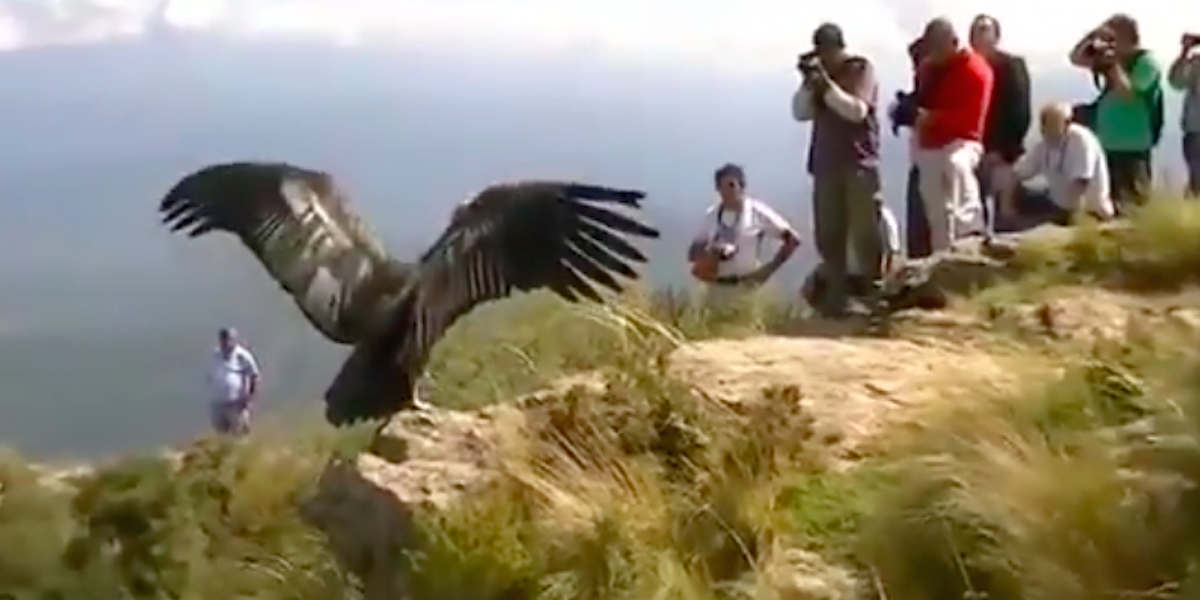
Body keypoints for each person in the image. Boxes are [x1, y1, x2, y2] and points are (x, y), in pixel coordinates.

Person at [791, 22, 882, 317]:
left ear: (837, 48)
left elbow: (856, 111)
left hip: (858, 164)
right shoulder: (820, 79)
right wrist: (809, 83)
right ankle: (836, 299)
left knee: (865, 234)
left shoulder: (859, 69)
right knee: (829, 236)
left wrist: (827, 86)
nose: (824, 58)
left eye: (826, 52)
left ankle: (874, 296)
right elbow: (800, 112)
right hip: (825, 165)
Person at [911, 18, 994, 254]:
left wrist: (932, 118)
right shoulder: (927, 70)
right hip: (930, 142)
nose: (934, 54)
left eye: (938, 48)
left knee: (956, 166)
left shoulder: (976, 71)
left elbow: (970, 118)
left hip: (963, 139)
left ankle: (971, 231)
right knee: (936, 206)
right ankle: (942, 253)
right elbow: (922, 100)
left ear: (954, 43)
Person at [1068, 14, 1164, 212]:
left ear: (1126, 36)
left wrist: (1113, 64)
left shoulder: (1146, 62)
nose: (1108, 42)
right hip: (1107, 141)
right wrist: (1091, 37)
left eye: (1112, 37)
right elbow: (1076, 59)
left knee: (1134, 204)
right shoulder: (1113, 59)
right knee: (1109, 204)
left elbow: (1128, 93)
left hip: (1133, 143)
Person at [687, 163, 800, 308]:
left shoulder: (757, 212)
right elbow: (692, 253)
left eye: (731, 185)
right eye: (721, 187)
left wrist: (768, 270)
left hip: (747, 287)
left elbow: (793, 239)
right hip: (716, 288)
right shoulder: (711, 216)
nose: (726, 192)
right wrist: (712, 251)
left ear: (741, 186)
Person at [996, 102, 1115, 231]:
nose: (1046, 130)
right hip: (1056, 203)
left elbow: (1081, 183)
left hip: (1086, 209)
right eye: (1044, 124)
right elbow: (1016, 173)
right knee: (1017, 192)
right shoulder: (1045, 144)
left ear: (1067, 124)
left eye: (1052, 124)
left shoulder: (1081, 141)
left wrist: (1072, 217)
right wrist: (1006, 206)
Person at [969, 14, 1032, 233]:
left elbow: (1020, 111)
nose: (980, 35)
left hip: (1004, 152)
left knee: (1005, 215)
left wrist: (1004, 151)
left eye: (985, 29)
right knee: (974, 209)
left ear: (996, 36)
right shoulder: (967, 69)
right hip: (974, 150)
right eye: (976, 30)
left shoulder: (1011, 66)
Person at [207, 327, 261, 437]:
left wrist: (249, 398)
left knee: (239, 432)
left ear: (234, 340)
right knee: (221, 434)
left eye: (228, 339)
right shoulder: (215, 354)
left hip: (237, 403)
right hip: (218, 402)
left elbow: (254, 376)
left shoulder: (242, 355)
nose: (225, 342)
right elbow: (209, 374)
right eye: (223, 339)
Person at [1168, 32, 1200, 197]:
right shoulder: (1196, 62)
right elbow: (1176, 82)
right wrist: (1184, 52)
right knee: (1196, 181)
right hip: (1195, 130)